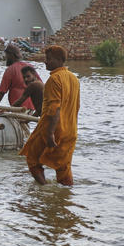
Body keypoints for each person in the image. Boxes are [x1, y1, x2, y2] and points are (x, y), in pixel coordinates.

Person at [19, 46, 80, 185]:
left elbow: (54, 109)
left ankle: (44, 189)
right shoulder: (74, 78)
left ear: (59, 60)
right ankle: (65, 195)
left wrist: (50, 133)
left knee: (32, 159)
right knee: (63, 167)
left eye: (48, 59)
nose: (45, 61)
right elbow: (76, 106)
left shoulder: (54, 79)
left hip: (51, 129)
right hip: (70, 131)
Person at [0, 43, 35, 109]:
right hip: (32, 105)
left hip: (18, 106)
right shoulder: (30, 66)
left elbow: (2, 91)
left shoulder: (10, 70)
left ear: (11, 55)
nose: (6, 57)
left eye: (6, 55)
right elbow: (40, 85)